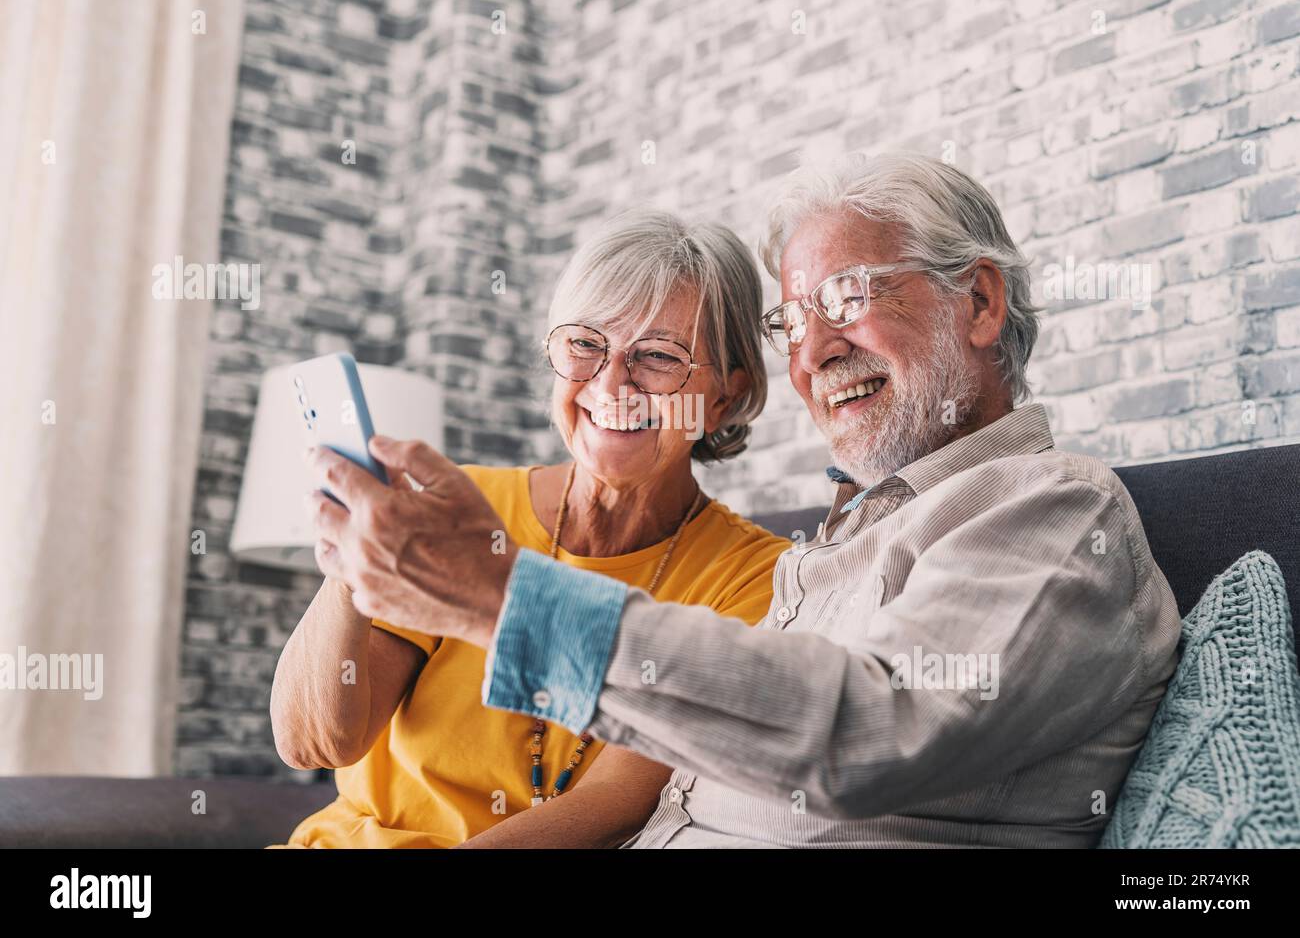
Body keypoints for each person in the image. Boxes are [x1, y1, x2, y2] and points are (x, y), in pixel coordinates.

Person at [305, 151, 1182, 847]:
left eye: (846, 298)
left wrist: (502, 600)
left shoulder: (1054, 509)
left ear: (980, 302)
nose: (814, 352)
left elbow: (872, 730)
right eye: (793, 322)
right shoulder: (839, 546)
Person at [272, 209, 789, 847]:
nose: (611, 383)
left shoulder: (757, 579)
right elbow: (316, 742)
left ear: (725, 398)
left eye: (658, 356)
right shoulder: (467, 509)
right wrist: (353, 561)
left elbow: (616, 802)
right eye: (585, 345)